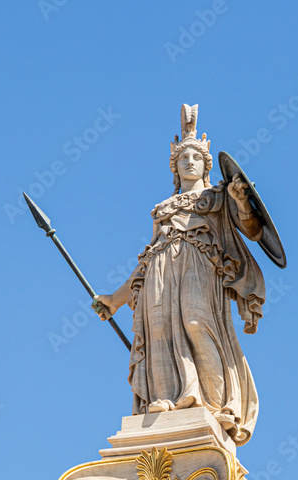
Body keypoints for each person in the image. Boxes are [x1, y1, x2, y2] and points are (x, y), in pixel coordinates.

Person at [93, 104, 265, 445]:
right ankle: (167, 398)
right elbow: (147, 258)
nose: (189, 162)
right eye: (183, 158)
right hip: (160, 270)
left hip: (199, 267)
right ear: (175, 167)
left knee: (197, 324)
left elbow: (252, 229)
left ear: (205, 165)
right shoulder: (162, 209)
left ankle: (216, 405)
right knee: (157, 328)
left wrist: (242, 200)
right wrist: (115, 299)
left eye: (196, 158)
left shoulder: (216, 197)